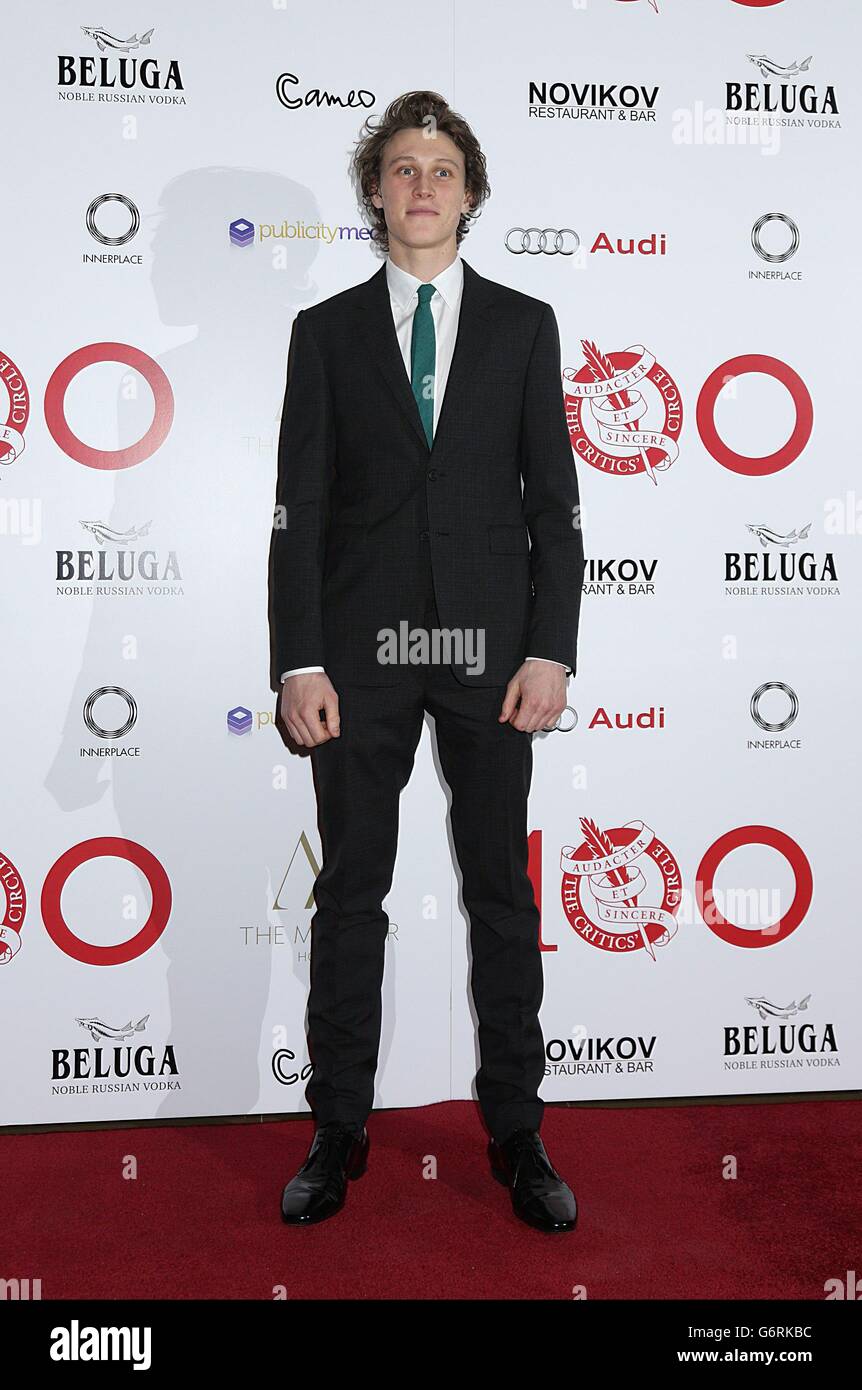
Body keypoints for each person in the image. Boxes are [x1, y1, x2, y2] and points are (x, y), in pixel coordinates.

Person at [271, 90, 584, 1232]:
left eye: (441, 168)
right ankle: (337, 1126)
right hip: (359, 657)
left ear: (469, 192)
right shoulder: (325, 334)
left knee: (500, 889)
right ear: (374, 192)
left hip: (490, 656)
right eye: (401, 167)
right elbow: (299, 511)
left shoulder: (523, 324)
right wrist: (300, 659)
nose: (420, 186)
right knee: (351, 891)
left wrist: (552, 646)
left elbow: (554, 507)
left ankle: (516, 1130)